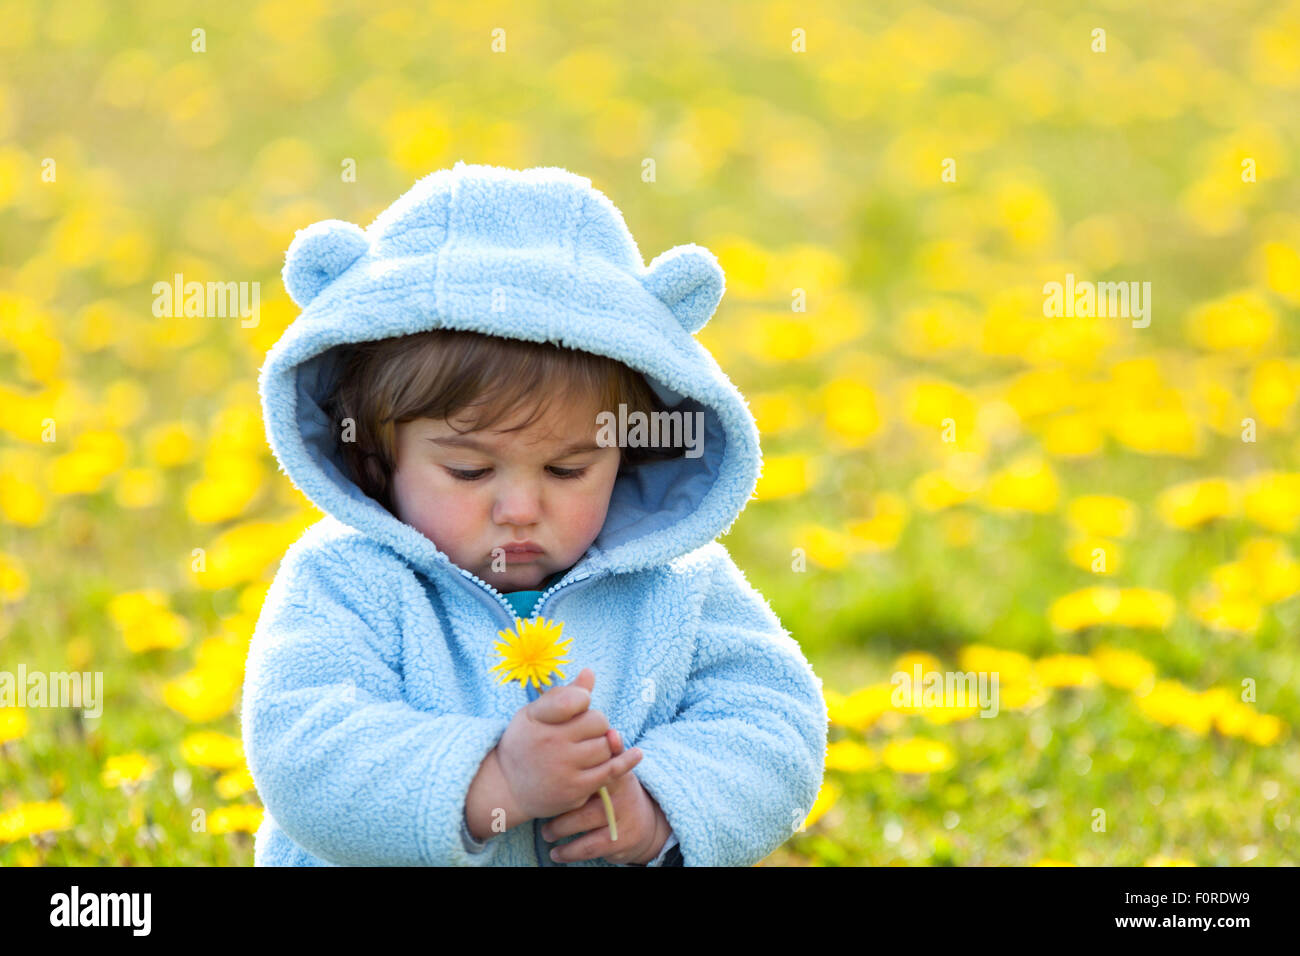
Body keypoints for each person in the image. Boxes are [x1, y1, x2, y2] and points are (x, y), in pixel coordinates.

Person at [241, 161, 828, 866]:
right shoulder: (345, 577)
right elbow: (303, 746)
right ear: (375, 448)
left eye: (568, 469)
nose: (520, 509)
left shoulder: (680, 583)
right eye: (469, 469)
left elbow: (773, 722)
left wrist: (660, 805)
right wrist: (493, 781)